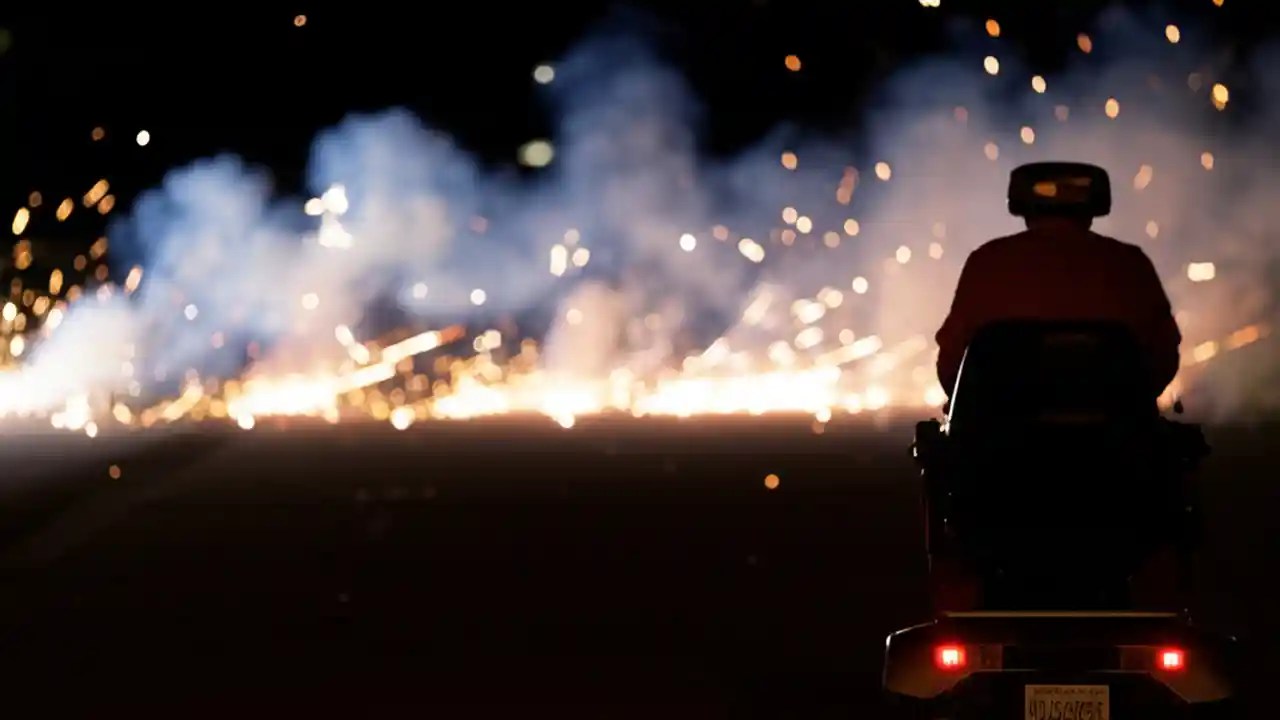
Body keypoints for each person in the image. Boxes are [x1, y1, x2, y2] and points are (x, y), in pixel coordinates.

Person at [935, 162, 1182, 399]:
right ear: (1094, 204)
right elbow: (1164, 355)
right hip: (1119, 435)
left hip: (999, 436)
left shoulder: (986, 262)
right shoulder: (1131, 264)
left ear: (1021, 203)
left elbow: (951, 362)